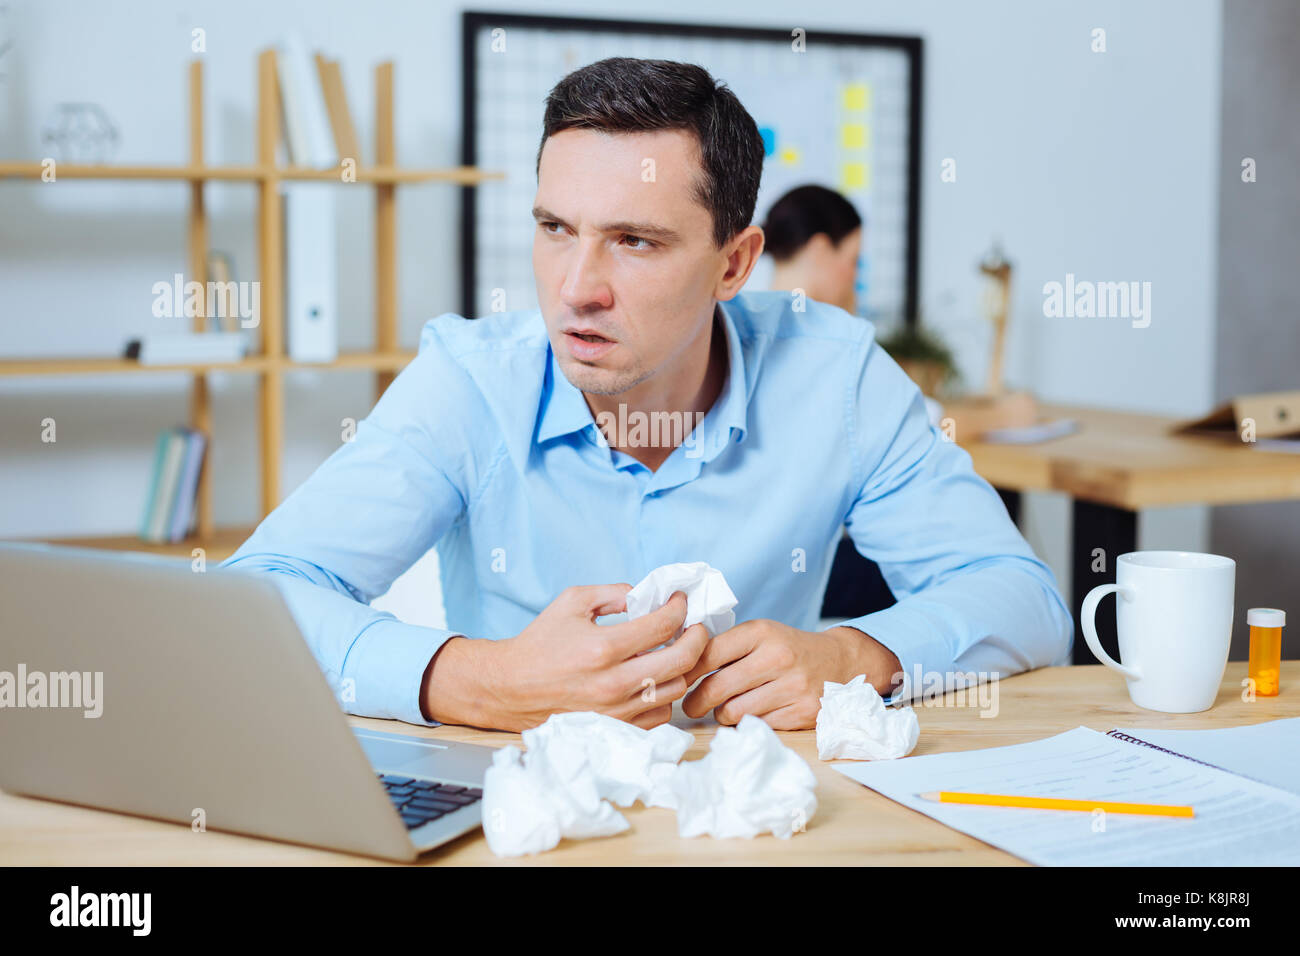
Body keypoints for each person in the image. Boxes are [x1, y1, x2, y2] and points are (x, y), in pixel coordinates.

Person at [223, 57, 1072, 733]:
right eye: (555, 229)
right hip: (515, 815)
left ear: (734, 263)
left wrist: (858, 657)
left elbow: (1023, 598)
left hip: (765, 821)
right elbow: (252, 597)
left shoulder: (834, 371)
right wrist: (479, 682)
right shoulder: (470, 381)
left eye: (633, 241)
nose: (575, 289)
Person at [763, 184, 863, 314]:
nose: (855, 275)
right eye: (853, 261)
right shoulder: (838, 331)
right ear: (820, 250)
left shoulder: (741, 325)